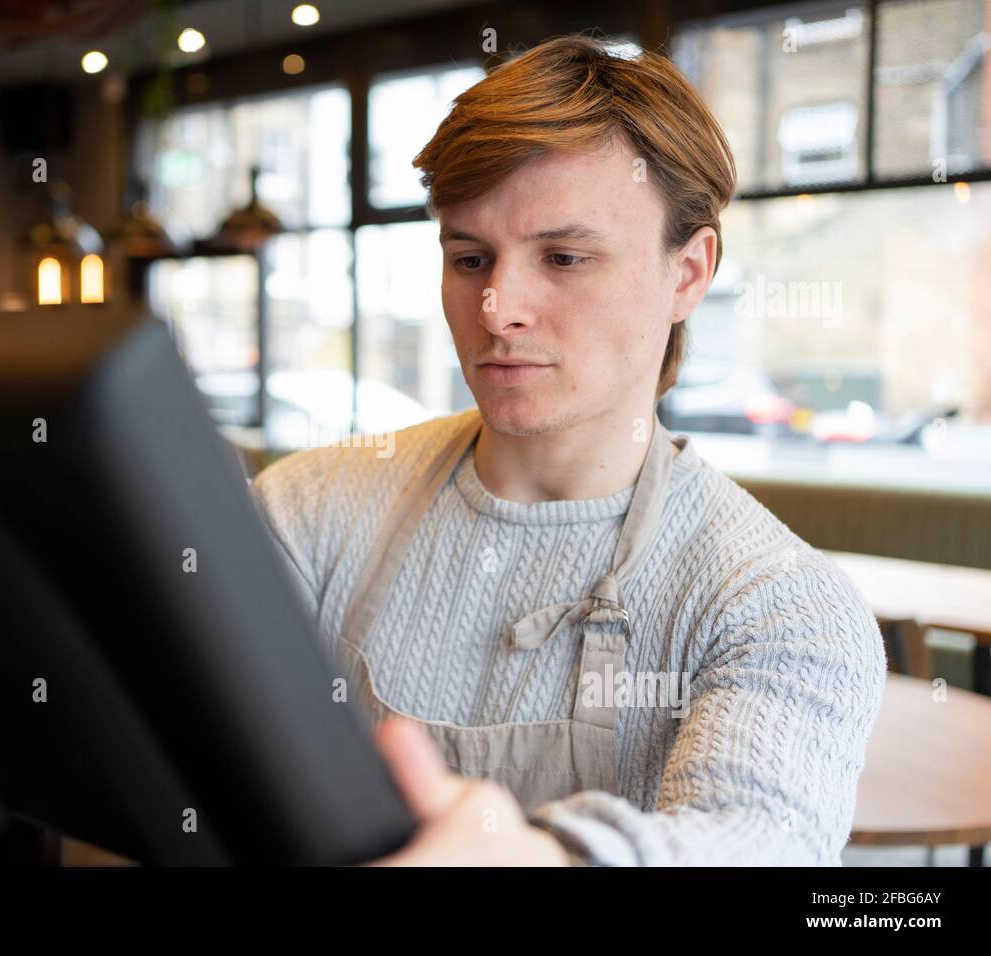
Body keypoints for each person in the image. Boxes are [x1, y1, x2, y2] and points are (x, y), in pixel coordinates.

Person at [250, 34, 886, 866]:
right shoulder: (305, 510)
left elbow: (759, 836)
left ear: (688, 274)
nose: (497, 306)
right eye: (469, 257)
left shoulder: (777, 604)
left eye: (564, 257)